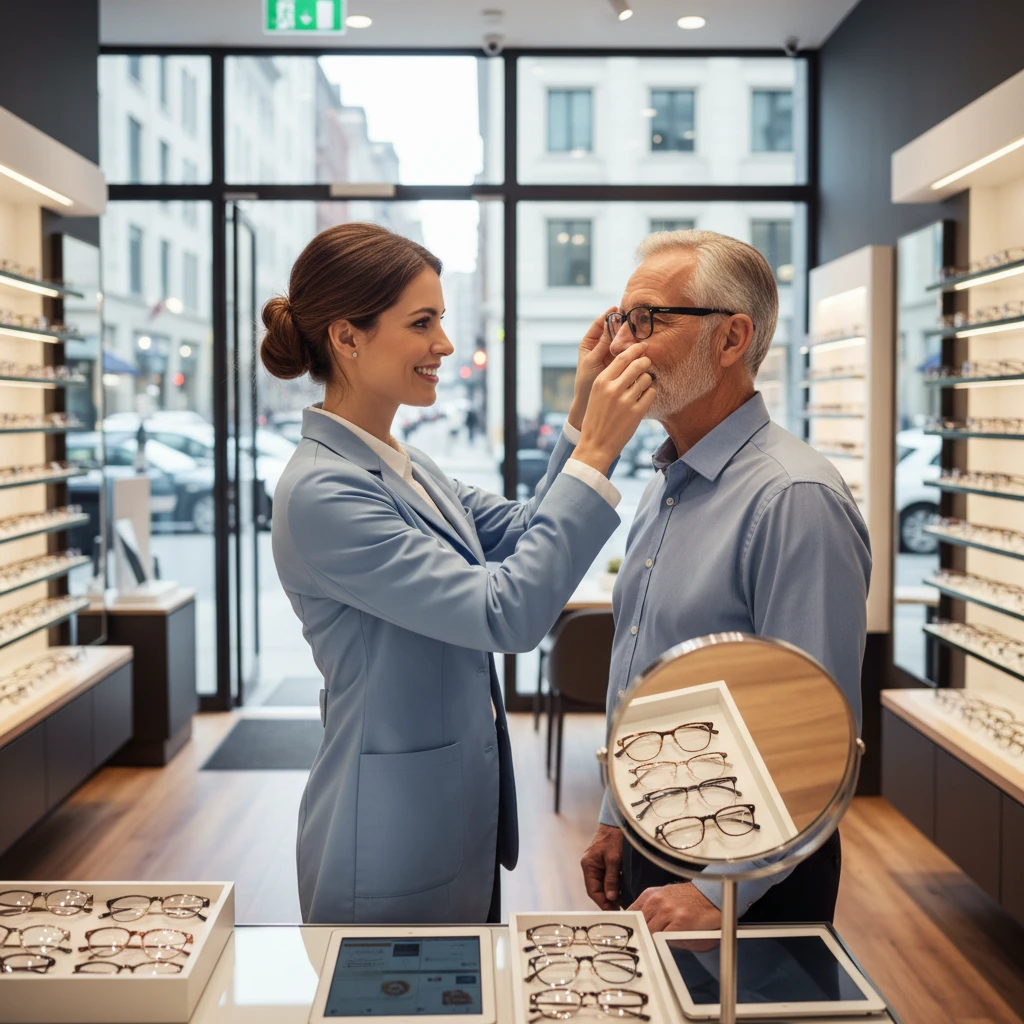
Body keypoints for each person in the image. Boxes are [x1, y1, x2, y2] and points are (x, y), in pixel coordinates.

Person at [262, 223, 656, 924]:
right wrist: (597, 451)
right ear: (347, 337)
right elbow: (505, 613)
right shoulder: (324, 491)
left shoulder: (401, 463)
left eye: (441, 320)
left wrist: (578, 418)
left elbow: (525, 532)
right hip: (386, 834)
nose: (444, 345)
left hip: (443, 813)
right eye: (422, 323)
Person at [580, 229, 872, 931]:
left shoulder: (793, 498)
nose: (621, 345)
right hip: (657, 836)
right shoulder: (668, 479)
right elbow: (642, 674)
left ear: (732, 338)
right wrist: (617, 815)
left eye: (646, 319)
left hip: (749, 871)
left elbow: (817, 737)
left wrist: (720, 890)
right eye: (621, 320)